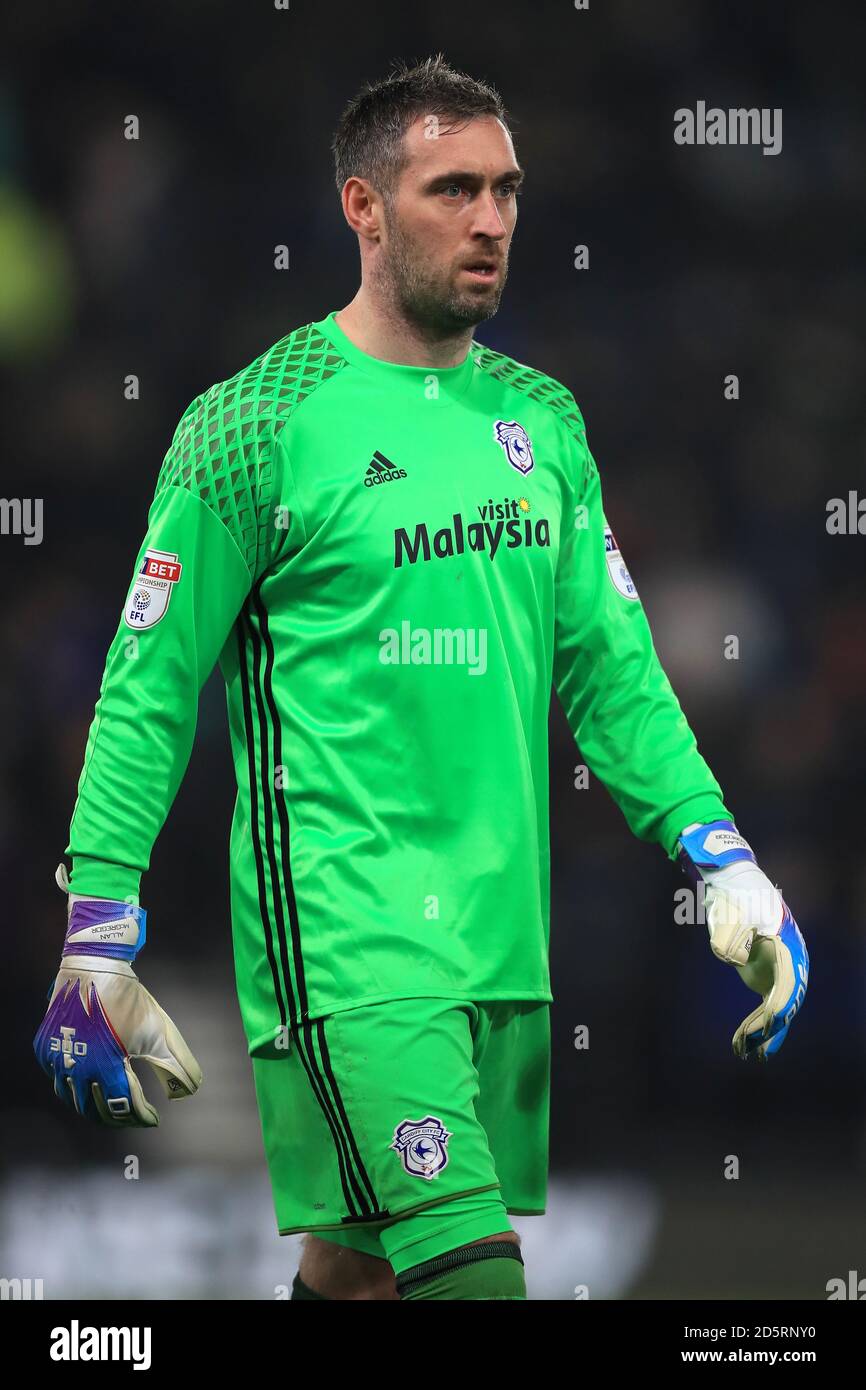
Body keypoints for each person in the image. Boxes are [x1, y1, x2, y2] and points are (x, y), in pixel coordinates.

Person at [33, 55, 808, 1301]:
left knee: (354, 1276)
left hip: (503, 944)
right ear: (362, 207)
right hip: (347, 946)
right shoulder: (253, 423)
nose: (492, 219)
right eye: (453, 189)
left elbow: (609, 670)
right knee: (471, 1280)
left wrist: (720, 854)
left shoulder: (542, 422)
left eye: (506, 190)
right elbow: (147, 682)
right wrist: (98, 930)